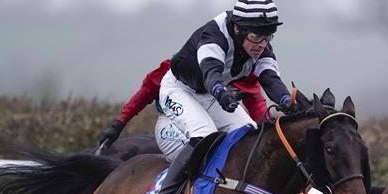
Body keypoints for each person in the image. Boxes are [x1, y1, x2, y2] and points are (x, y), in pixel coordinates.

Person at [108, 0, 293, 194]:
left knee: (247, 131)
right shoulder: (214, 35)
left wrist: (288, 101)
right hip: (179, 89)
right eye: (256, 35)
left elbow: (271, 80)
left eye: (268, 36)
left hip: (209, 93)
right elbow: (211, 73)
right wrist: (221, 93)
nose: (262, 44)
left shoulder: (261, 47)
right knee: (204, 134)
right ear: (238, 28)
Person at [98, 61, 270, 150]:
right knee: (205, 147)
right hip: (173, 121)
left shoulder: (249, 74)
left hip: (213, 120)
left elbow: (260, 113)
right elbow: (145, 92)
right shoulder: (182, 64)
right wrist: (119, 123)